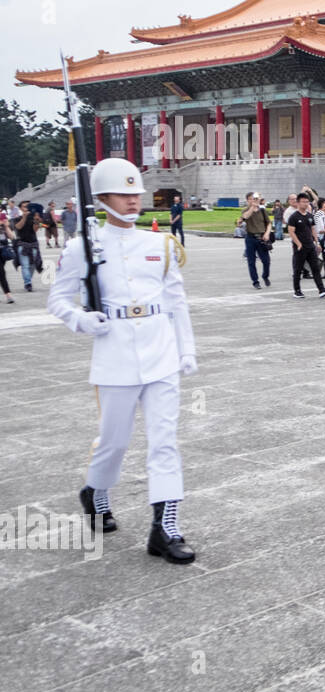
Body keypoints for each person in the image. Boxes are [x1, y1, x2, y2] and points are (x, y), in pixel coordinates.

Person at [47, 157, 199, 563]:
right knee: (114, 442)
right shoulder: (83, 247)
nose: (134, 201)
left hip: (160, 351)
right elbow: (57, 299)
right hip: (114, 352)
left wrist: (187, 350)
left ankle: (165, 528)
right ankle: (95, 490)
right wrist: (81, 319)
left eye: (136, 193)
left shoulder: (160, 244)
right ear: (100, 198)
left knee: (164, 442)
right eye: (123, 193)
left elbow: (177, 303)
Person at [286, 193, 325, 299]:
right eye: (303, 201)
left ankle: (321, 290)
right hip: (300, 247)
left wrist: (317, 243)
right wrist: (298, 244)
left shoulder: (309, 216)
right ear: (298, 203)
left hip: (310, 246)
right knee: (298, 269)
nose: (306, 204)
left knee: (315, 268)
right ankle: (297, 291)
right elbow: (291, 232)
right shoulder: (294, 217)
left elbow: (313, 230)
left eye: (307, 202)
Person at [241, 192, 273, 289]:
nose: (254, 200)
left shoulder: (262, 211)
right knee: (251, 261)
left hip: (262, 238)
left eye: (255, 198)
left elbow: (268, 223)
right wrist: (252, 207)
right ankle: (255, 281)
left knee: (266, 261)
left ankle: (265, 276)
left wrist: (267, 233)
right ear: (248, 200)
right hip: (250, 238)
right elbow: (245, 217)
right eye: (251, 199)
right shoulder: (245, 210)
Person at [11, 200, 42, 292]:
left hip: (33, 244)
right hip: (22, 244)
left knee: (32, 265)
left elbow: (35, 230)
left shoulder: (33, 217)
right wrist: (24, 217)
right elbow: (18, 227)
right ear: (20, 208)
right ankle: (28, 283)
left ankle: (28, 280)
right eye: (24, 206)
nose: (26, 208)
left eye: (28, 206)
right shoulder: (17, 218)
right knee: (25, 265)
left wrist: (36, 220)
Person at [0, 210, 15, 303]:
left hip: (2, 252)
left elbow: (12, 237)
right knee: (1, 272)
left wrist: (6, 226)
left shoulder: (3, 223)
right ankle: (8, 295)